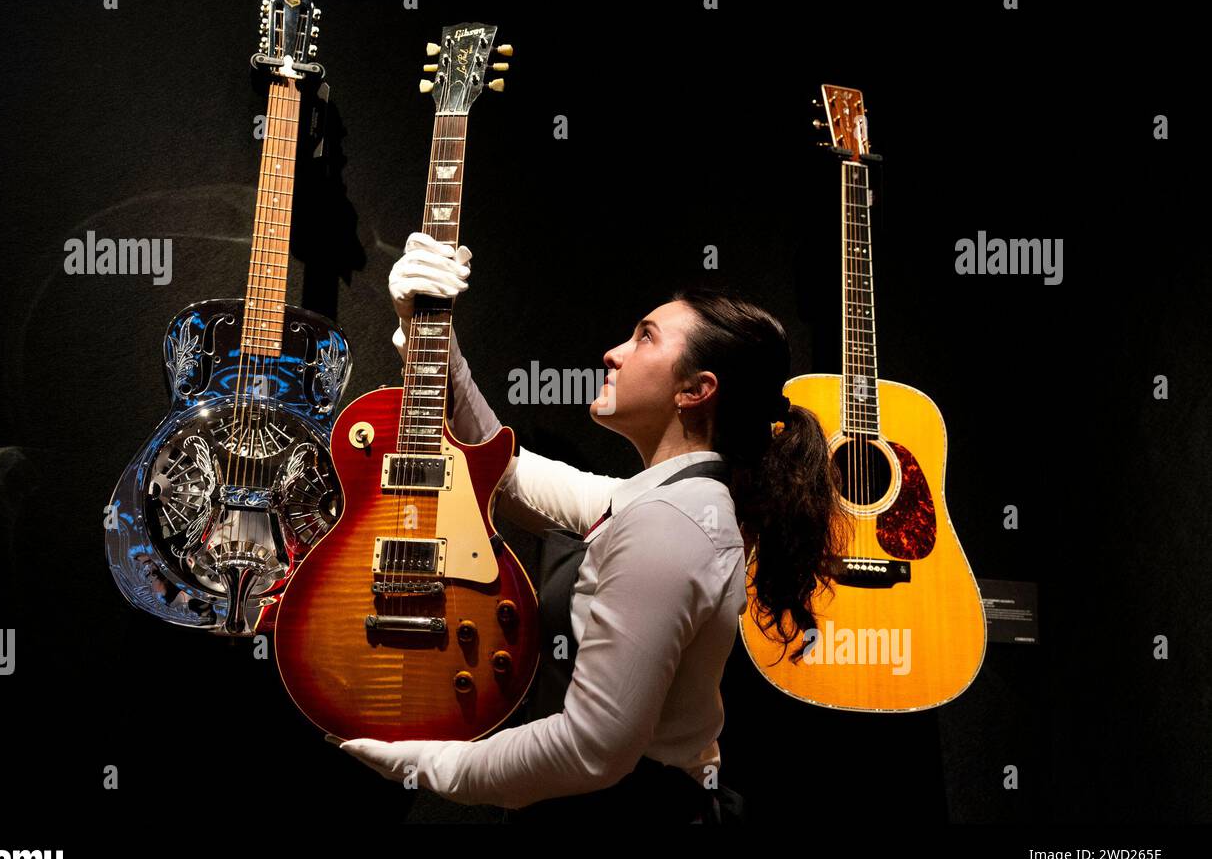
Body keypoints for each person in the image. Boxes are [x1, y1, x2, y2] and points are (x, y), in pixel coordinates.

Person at [330, 231, 849, 822]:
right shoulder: (655, 502)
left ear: (696, 390)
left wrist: (423, 764)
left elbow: (590, 751)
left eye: (644, 338)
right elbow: (502, 470)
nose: (613, 353)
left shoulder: (668, 527)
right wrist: (429, 334)